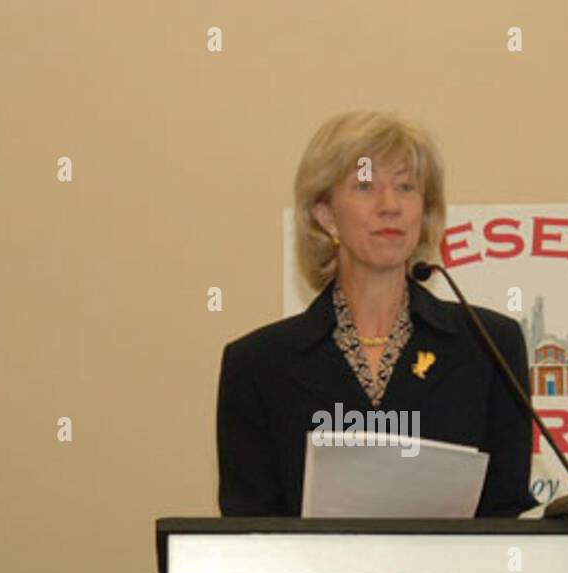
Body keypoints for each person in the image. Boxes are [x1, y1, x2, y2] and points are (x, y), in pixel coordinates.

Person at [216, 109, 539, 518]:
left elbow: (505, 512)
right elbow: (248, 529)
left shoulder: (489, 345)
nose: (390, 206)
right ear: (325, 215)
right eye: (365, 186)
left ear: (424, 213)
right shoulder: (258, 363)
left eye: (406, 187)